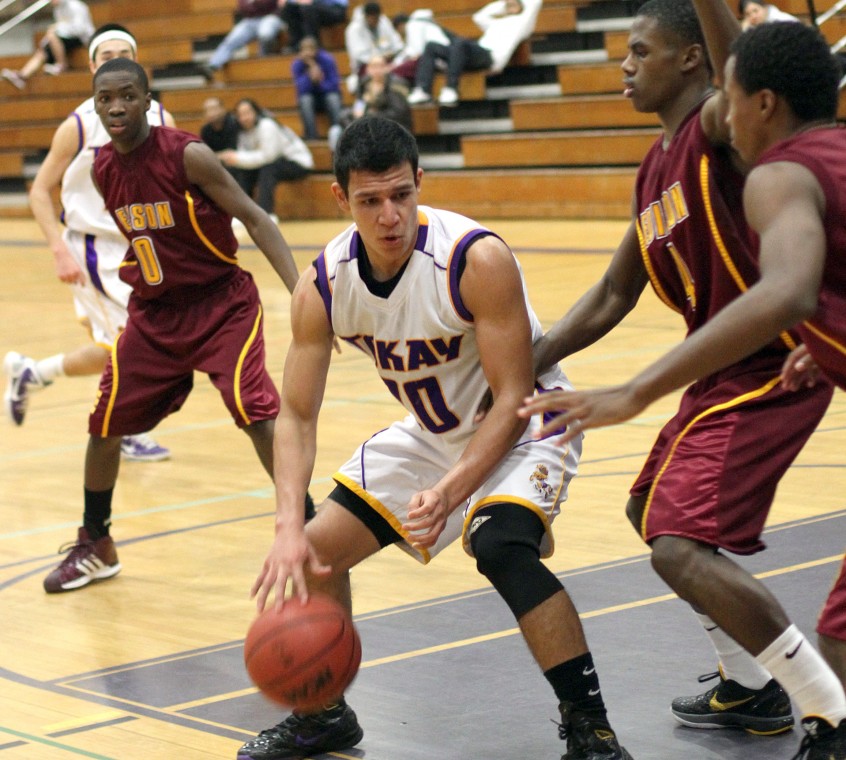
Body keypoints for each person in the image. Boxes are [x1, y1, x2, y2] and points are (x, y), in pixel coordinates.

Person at [236, 116, 633, 760]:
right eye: (370, 201)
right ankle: (324, 714)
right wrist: (287, 523)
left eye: (401, 194)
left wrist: (452, 492)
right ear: (341, 199)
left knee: (501, 547)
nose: (389, 215)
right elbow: (298, 416)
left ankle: (592, 728)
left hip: (527, 420)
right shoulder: (323, 283)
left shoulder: (474, 260)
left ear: (420, 181)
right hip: (436, 429)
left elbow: (512, 397)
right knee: (311, 551)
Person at [516, 1, 846, 757]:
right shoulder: (654, 169)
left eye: (641, 50)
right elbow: (613, 291)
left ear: (697, 62)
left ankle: (824, 712)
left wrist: (635, 391)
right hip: (723, 368)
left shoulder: (724, 132)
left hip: (762, 362)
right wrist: (519, 364)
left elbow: (745, 75)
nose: (626, 64)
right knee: (648, 511)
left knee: (679, 547)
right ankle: (753, 685)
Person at [41, 56, 312, 594]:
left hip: (221, 305)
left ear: (148, 100)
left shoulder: (188, 155)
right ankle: (96, 542)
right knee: (104, 423)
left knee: (253, 409)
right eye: (105, 98)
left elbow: (255, 218)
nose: (116, 107)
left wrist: (303, 294)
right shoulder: (101, 168)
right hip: (155, 316)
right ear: (95, 106)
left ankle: (308, 523)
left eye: (127, 95)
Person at [5, 23, 172, 462]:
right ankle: (129, 429)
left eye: (123, 54)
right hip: (95, 248)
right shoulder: (79, 124)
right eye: (105, 56)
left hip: (142, 246)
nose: (115, 61)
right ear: (93, 67)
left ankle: (32, 373)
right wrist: (58, 249)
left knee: (117, 346)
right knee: (134, 342)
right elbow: (40, 191)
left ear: (137, 62)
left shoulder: (160, 118)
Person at [406, 0, 540, 107]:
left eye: (514, 5)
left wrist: (516, 3)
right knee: (431, 46)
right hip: (475, 52)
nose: (510, 7)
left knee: (460, 43)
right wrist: (502, 4)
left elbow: (535, 3)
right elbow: (479, 17)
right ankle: (423, 90)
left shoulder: (522, 24)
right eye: (508, 5)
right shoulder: (496, 23)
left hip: (490, 57)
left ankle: (451, 88)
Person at [218, 98, 314, 220]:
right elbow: (245, 157)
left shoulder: (267, 125)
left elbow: (268, 156)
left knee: (268, 169)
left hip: (298, 162)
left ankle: (266, 214)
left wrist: (236, 157)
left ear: (256, 112)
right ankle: (243, 215)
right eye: (240, 115)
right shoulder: (241, 132)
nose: (244, 118)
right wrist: (236, 159)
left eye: (247, 113)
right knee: (242, 172)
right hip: (271, 163)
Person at [1, 0, 94, 89]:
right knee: (43, 51)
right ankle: (22, 75)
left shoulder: (76, 6)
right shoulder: (58, 9)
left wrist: (58, 28)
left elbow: (80, 29)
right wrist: (47, 40)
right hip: (66, 38)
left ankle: (62, 65)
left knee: (51, 35)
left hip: (82, 39)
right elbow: (59, 29)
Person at [200, 0, 286, 82]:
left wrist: (254, 4)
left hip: (271, 17)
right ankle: (213, 65)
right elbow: (243, 8)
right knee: (231, 40)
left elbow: (269, 3)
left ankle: (264, 59)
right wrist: (259, 4)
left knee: (265, 34)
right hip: (250, 20)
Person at [291, 36, 344, 143]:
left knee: (333, 98)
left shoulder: (327, 59)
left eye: (310, 50)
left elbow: (334, 85)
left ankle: (340, 134)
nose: (308, 54)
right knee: (305, 100)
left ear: (317, 50)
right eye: (305, 50)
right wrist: (310, 77)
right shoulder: (297, 64)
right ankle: (312, 138)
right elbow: (301, 89)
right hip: (311, 97)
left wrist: (320, 82)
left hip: (327, 95)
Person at [343, 1, 403, 92]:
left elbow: (397, 44)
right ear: (365, 16)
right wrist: (379, 59)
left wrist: (390, 54)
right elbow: (359, 55)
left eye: (377, 18)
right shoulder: (354, 29)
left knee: (400, 73)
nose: (375, 21)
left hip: (388, 62)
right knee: (377, 75)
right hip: (366, 67)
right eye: (373, 18)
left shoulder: (384, 22)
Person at [346, 53, 412, 131]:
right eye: (373, 67)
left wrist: (369, 115)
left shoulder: (396, 84)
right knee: (344, 118)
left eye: (380, 66)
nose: (377, 70)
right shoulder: (364, 82)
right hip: (370, 121)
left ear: (387, 67)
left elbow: (398, 113)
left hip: (392, 125)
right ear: (368, 69)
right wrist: (358, 111)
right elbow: (359, 101)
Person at [390, 9, 452, 85]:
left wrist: (395, 64)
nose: (399, 34)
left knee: (397, 71)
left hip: (437, 60)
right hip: (444, 58)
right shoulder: (423, 23)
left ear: (400, 26)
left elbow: (416, 53)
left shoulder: (412, 25)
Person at [280, 0, 347, 55]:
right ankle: (296, 44)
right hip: (312, 8)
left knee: (307, 7)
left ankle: (313, 45)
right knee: (288, 9)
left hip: (336, 8)